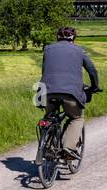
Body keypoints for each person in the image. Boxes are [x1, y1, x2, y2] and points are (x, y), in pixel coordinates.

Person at [39, 26, 100, 159]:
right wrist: (95, 86)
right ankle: (68, 147)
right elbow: (92, 70)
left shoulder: (48, 49)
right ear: (74, 39)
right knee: (76, 117)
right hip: (71, 93)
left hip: (47, 91)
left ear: (57, 37)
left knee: (49, 117)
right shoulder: (79, 51)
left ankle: (48, 148)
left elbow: (44, 71)